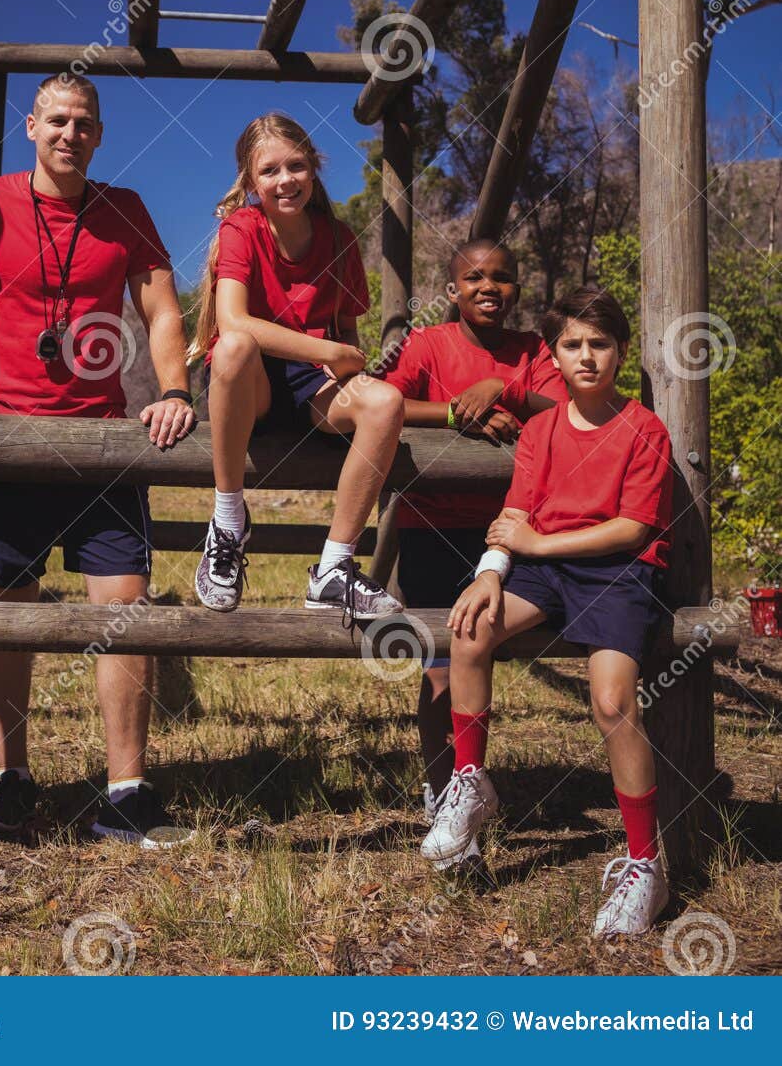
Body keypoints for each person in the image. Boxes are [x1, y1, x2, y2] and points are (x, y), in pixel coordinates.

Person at [0, 73, 197, 847]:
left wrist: (174, 389)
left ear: (99, 134)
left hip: (101, 442)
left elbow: (161, 309)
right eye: (56, 120)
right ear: (30, 126)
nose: (69, 133)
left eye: (84, 123)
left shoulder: (124, 211)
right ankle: (13, 781)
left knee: (123, 609)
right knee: (3, 610)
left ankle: (125, 793)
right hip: (11, 439)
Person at [423, 285, 673, 939]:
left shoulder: (643, 428)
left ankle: (645, 865)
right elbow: (514, 516)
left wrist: (537, 544)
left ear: (620, 352)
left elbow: (631, 528)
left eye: (599, 344)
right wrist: (488, 574)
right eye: (572, 345)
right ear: (553, 357)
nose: (586, 356)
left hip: (619, 573)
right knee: (469, 629)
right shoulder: (539, 430)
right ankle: (471, 781)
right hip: (542, 570)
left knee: (613, 701)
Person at [188, 113, 405, 622]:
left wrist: (348, 368)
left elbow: (347, 335)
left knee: (385, 401)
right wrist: (328, 352)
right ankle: (227, 521)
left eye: (297, 166)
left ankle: (333, 569)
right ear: (249, 181)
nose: (285, 180)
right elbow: (233, 321)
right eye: (269, 171)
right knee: (235, 347)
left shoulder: (340, 239)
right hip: (249, 381)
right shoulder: (240, 229)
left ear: (314, 170)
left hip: (313, 386)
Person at [381, 239, 566, 829]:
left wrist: (504, 389)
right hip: (432, 523)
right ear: (453, 289)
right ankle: (444, 792)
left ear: (517, 288)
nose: (490, 287)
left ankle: (472, 774)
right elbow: (387, 402)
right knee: (440, 661)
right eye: (475, 278)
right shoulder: (427, 344)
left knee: (485, 649)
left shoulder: (533, 351)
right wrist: (463, 410)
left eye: (503, 278)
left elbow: (565, 413)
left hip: (511, 530)